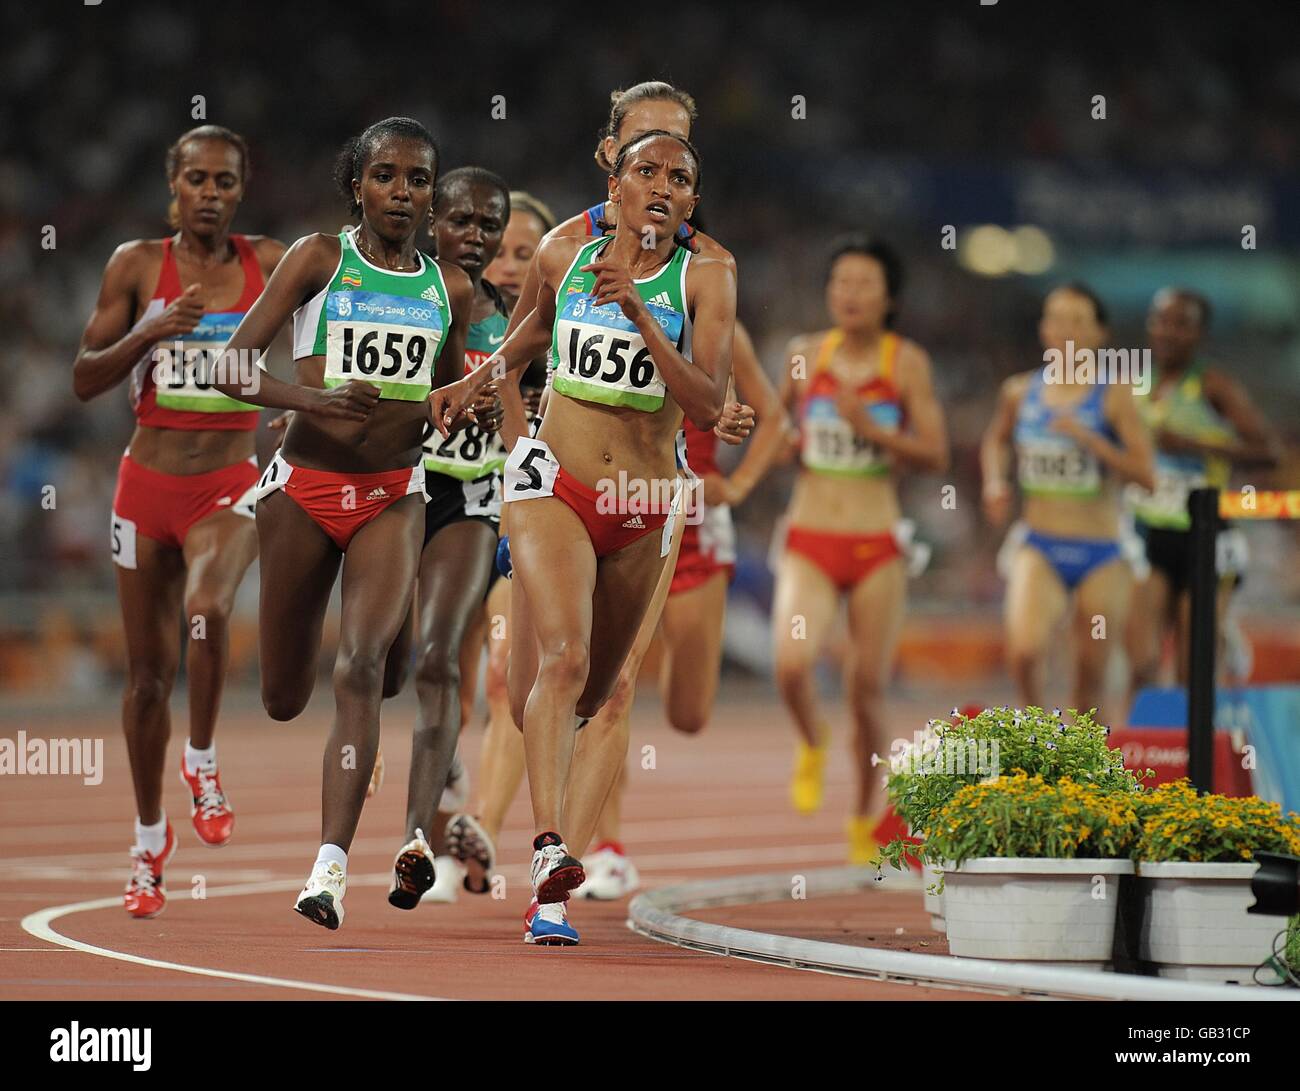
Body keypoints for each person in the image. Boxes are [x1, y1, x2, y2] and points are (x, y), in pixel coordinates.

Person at [432, 130, 735, 945]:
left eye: (680, 177)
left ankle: (557, 849)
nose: (663, 185)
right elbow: (528, 335)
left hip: (644, 498)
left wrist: (638, 309)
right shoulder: (565, 247)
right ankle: (549, 869)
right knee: (560, 662)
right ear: (617, 182)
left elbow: (708, 401)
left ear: (691, 201)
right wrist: (473, 379)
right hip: (553, 484)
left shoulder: (708, 274)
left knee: (602, 695)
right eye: (648, 172)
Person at [209, 117, 473, 930]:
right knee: (287, 695)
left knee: (361, 668)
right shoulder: (320, 258)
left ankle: (327, 870)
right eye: (386, 175)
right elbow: (229, 368)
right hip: (305, 490)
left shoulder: (447, 288)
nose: (403, 191)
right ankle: (370, 679)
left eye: (419, 179)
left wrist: (465, 403)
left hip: (394, 495)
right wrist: (310, 400)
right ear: (356, 183)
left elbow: (447, 392)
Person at [72, 125, 285, 919]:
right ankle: (148, 840)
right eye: (196, 179)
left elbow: (310, 346)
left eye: (224, 182)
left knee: (209, 606)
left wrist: (299, 409)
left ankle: (202, 761)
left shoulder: (268, 262)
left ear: (241, 189)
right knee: (146, 680)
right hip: (144, 488)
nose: (210, 193)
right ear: (175, 185)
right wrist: (147, 332)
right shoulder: (135, 265)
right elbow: (84, 379)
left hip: (228, 481)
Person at [771, 237, 949, 864]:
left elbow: (936, 453)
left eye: (864, 283)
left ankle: (861, 813)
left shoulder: (906, 364)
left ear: (890, 298)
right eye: (841, 281)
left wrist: (873, 429)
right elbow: (778, 428)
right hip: (810, 536)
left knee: (865, 686)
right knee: (792, 663)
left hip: (877, 542)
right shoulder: (802, 356)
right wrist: (776, 443)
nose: (849, 293)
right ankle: (812, 739)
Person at [981, 283, 1154, 723]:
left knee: (1090, 675)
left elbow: (1146, 476)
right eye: (1057, 319)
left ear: (1100, 333)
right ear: (1043, 328)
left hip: (1102, 552)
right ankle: (1039, 737)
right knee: (1024, 650)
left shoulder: (1115, 395)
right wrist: (995, 482)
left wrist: (1094, 443)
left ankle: (1087, 772)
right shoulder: (1019, 391)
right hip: (1040, 544)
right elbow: (995, 441)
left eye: (1078, 321)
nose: (1066, 330)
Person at [1124, 288, 1279, 695]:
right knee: (1140, 661)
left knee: (1191, 668)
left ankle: (1191, 747)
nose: (1169, 332)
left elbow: (1269, 452)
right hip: (1150, 535)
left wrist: (1196, 445)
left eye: (1182, 324)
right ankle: (1146, 751)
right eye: (1162, 321)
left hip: (1206, 537)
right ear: (1150, 325)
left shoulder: (1213, 385)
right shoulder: (1135, 385)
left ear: (1200, 334)